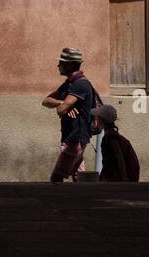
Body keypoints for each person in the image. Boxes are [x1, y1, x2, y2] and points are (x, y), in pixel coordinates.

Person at [41, 46, 97, 183]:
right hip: (72, 137)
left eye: (62, 63)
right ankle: (82, 203)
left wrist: (64, 106)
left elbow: (60, 110)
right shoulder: (68, 84)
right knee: (79, 178)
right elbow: (45, 101)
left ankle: (59, 204)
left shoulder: (80, 85)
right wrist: (62, 102)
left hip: (75, 139)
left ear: (70, 65)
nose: (58, 66)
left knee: (57, 177)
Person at [92, 104, 140, 182]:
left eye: (97, 117)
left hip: (115, 179)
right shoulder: (111, 136)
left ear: (102, 120)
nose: (96, 119)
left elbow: (119, 159)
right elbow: (108, 162)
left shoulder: (110, 138)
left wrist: (124, 179)